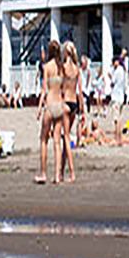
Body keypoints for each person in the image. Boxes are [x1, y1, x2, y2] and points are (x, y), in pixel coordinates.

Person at [35, 41, 63, 185]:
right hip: (60, 104)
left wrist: (40, 108)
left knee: (44, 139)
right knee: (57, 141)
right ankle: (57, 175)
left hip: (50, 104)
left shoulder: (47, 67)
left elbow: (44, 89)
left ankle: (43, 173)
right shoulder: (61, 67)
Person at [59, 42, 81, 182]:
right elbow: (80, 91)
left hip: (66, 102)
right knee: (65, 139)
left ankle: (72, 172)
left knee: (66, 137)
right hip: (74, 103)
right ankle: (61, 171)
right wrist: (82, 110)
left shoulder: (64, 68)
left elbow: (60, 87)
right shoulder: (76, 69)